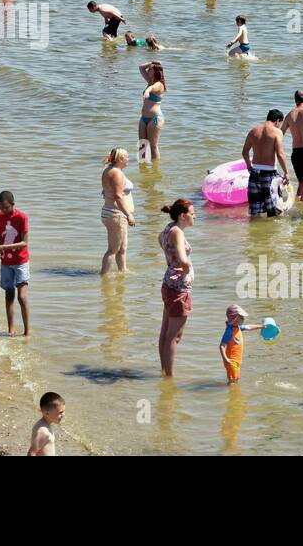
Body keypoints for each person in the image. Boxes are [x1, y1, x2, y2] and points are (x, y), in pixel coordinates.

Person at [158, 198, 194, 376]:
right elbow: (182, 258)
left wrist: (171, 263)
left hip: (168, 284)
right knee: (174, 336)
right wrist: (185, 269)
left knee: (165, 332)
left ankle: (164, 371)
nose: (195, 216)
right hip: (179, 289)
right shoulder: (177, 232)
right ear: (182, 215)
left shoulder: (168, 229)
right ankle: (169, 378)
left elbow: (160, 241)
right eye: (192, 213)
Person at [0, 191, 30, 336]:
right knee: (9, 295)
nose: (2, 211)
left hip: (20, 261)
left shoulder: (21, 217)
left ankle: (27, 332)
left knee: (22, 297)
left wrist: (3, 247)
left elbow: (24, 243)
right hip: (5, 261)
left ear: (12, 205)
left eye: (5, 207)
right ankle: (11, 329)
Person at [242, 110, 291, 217]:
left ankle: (255, 232)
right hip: (269, 175)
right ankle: (272, 233)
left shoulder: (253, 131)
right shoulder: (277, 132)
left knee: (255, 212)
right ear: (278, 121)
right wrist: (286, 172)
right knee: (276, 211)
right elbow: (280, 154)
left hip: (254, 174)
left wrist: (249, 166)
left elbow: (245, 152)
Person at [99, 148, 135, 274]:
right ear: (120, 159)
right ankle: (103, 277)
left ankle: (123, 271)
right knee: (112, 250)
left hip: (112, 213)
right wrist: (129, 215)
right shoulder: (116, 173)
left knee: (122, 248)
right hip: (116, 214)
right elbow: (118, 196)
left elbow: (106, 191)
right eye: (127, 157)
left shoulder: (109, 170)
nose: (128, 159)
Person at [221, 304, 265, 384]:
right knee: (232, 382)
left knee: (235, 380)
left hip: (236, 361)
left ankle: (233, 394)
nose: (243, 319)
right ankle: (233, 394)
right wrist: (225, 359)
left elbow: (249, 327)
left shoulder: (237, 327)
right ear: (235, 319)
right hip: (231, 362)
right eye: (241, 317)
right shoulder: (229, 331)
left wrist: (262, 326)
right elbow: (222, 345)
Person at [138, 61, 165, 162]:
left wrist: (147, 91)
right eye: (148, 69)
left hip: (155, 119)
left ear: (156, 72)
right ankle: (142, 167)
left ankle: (155, 169)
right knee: (142, 144)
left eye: (150, 69)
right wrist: (152, 62)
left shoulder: (159, 84)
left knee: (153, 146)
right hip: (143, 118)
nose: (147, 70)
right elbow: (141, 67)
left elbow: (151, 88)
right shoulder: (150, 81)